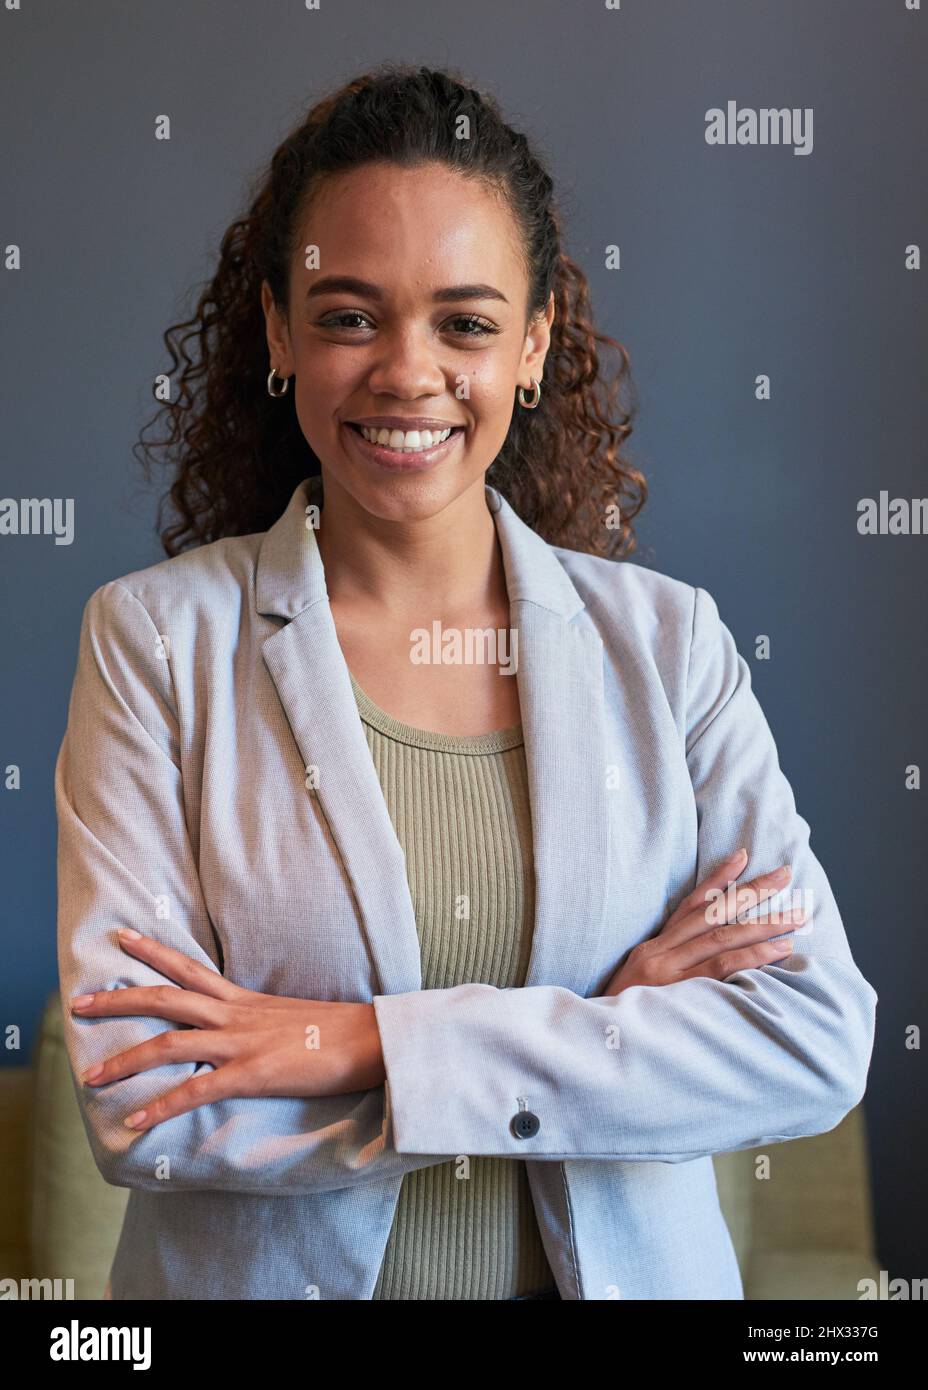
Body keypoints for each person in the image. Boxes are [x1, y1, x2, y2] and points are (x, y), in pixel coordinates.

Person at [56, 64, 877, 1301]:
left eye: (466, 321)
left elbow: (812, 1042)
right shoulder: (153, 643)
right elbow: (150, 1107)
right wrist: (600, 1021)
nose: (406, 371)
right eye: (347, 316)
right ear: (280, 332)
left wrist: (349, 1043)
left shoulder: (672, 647)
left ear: (534, 344)